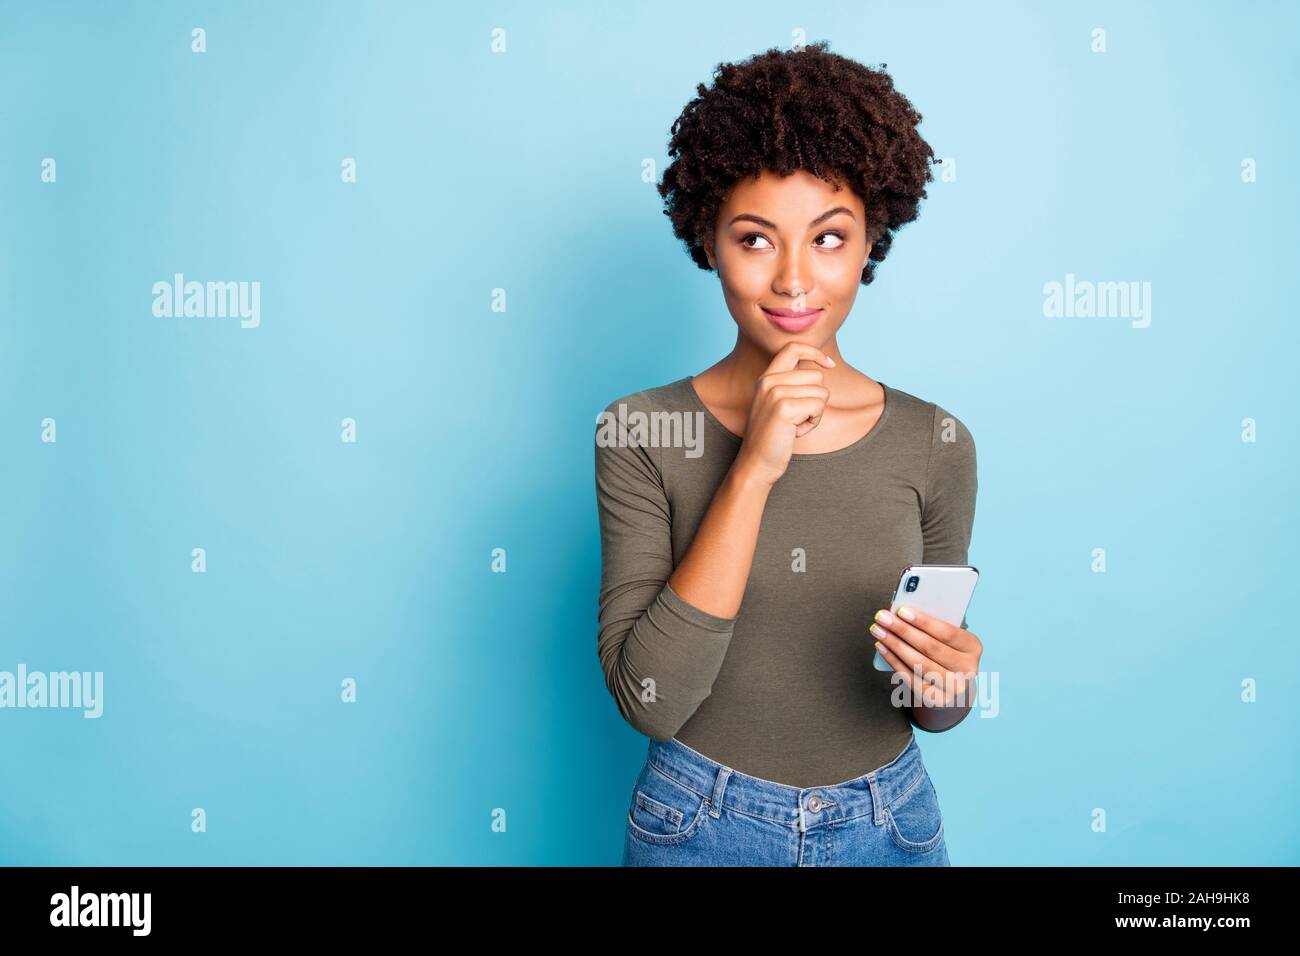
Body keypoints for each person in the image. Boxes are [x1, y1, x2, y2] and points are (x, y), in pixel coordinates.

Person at [593, 41, 981, 866]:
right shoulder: (638, 430)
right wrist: (755, 465)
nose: (795, 281)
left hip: (891, 825)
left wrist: (948, 685)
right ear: (710, 240)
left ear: (873, 238)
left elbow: (924, 704)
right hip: (699, 824)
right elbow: (649, 701)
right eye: (757, 239)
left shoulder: (936, 442)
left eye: (830, 238)